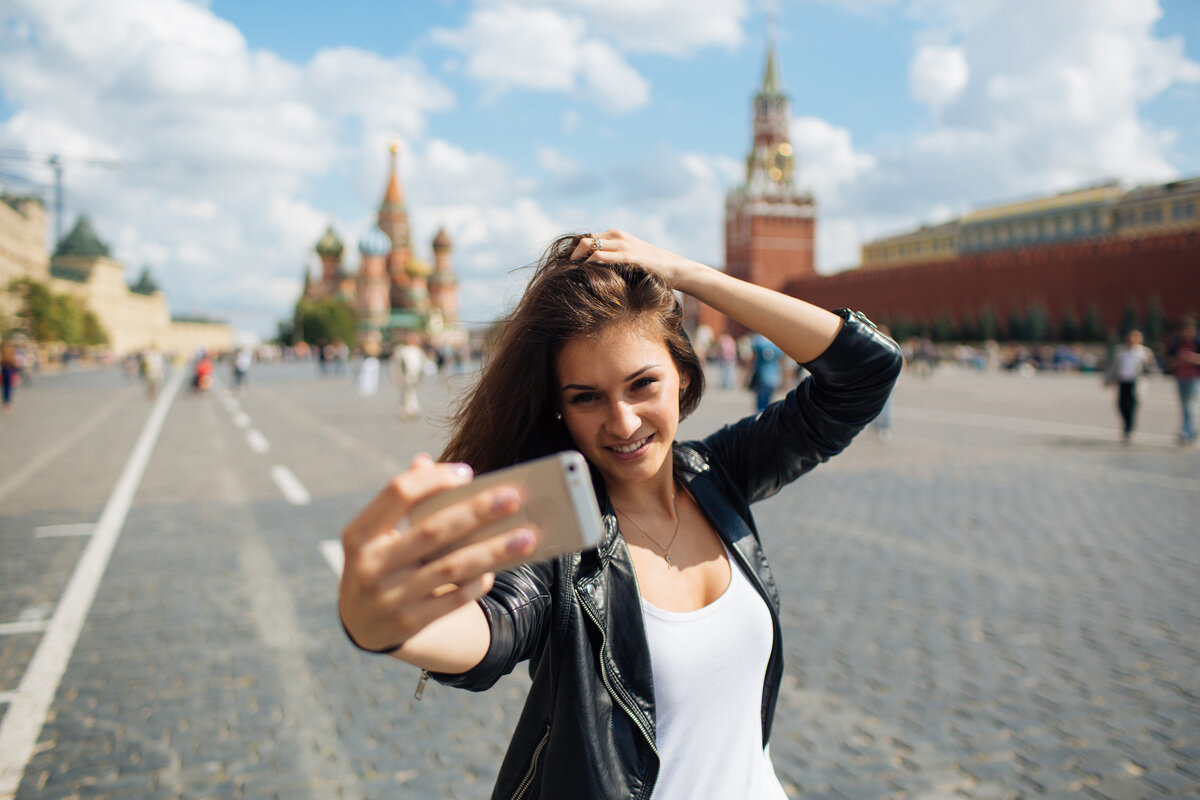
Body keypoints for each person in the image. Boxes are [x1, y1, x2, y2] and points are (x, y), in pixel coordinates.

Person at [337, 230, 902, 800]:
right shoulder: (558, 534)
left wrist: (689, 274)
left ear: (682, 373)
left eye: (642, 384)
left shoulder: (718, 476)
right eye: (586, 397)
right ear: (559, 410)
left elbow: (865, 372)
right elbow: (490, 629)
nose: (624, 422)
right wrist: (383, 623)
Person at [1105, 329, 1156, 443]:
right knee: (1120, 404)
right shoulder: (1120, 351)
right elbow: (1113, 366)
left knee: (1132, 405)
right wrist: (1108, 379)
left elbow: (1150, 368)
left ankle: (1129, 427)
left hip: (1136, 382)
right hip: (1123, 381)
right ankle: (1126, 423)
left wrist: (1149, 368)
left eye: (1136, 337)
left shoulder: (1144, 352)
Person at [1166, 316, 1200, 445]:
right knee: (1184, 405)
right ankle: (1189, 430)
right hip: (1180, 377)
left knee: (1190, 405)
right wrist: (1178, 361)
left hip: (1194, 377)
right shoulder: (1177, 343)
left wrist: (1192, 358)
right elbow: (1169, 361)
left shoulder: (1197, 342)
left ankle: (1187, 432)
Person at [391, 333, 425, 420]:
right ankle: (406, 410)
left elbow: (422, 364)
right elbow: (397, 365)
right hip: (405, 376)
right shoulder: (403, 350)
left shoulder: (418, 350)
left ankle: (412, 409)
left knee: (412, 393)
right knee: (406, 393)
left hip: (414, 376)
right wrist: (398, 376)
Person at [746, 333, 783, 412]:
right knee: (768, 401)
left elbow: (753, 359)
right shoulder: (777, 342)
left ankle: (759, 418)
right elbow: (782, 362)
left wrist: (747, 375)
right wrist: (785, 380)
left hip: (761, 374)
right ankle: (764, 417)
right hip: (774, 376)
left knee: (760, 401)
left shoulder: (758, 341)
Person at [1, 336, 23, 412]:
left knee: (5, 387)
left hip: (4, 369)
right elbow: (15, 362)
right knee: (9, 387)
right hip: (11, 370)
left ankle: (5, 401)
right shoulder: (12, 351)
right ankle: (8, 402)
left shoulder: (3, 351)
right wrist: (17, 372)